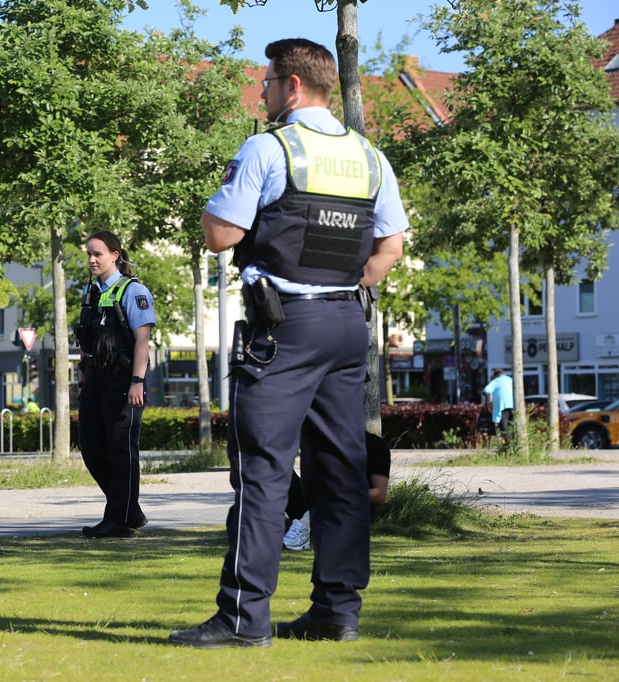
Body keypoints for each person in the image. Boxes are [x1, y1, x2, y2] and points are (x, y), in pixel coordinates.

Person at [169, 38, 408, 648]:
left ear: (293, 86)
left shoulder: (269, 148)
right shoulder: (369, 156)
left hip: (285, 329)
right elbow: (391, 247)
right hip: (348, 326)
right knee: (341, 472)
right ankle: (336, 612)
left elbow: (221, 234)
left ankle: (243, 618)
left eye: (269, 82)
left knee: (263, 468)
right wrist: (348, 287)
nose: (263, 92)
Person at [74, 230, 157, 539]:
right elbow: (86, 337)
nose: (92, 259)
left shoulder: (132, 291)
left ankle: (119, 519)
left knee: (121, 450)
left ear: (115, 255)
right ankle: (128, 510)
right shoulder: (91, 291)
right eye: (89, 254)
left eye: (98, 254)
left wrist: (138, 381)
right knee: (91, 447)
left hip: (123, 380)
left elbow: (142, 340)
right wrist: (84, 376)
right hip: (95, 379)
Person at [283, 432, 393, 551]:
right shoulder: (324, 441)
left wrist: (340, 494)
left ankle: (304, 527)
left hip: (348, 508)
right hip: (317, 503)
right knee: (279, 470)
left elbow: (379, 494)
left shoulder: (374, 445)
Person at [482, 368, 515, 438]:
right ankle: (513, 441)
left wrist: (485, 403)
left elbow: (486, 390)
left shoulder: (495, 381)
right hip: (514, 405)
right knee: (513, 425)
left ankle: (507, 444)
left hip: (503, 406)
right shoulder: (511, 379)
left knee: (504, 426)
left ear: (496, 375)